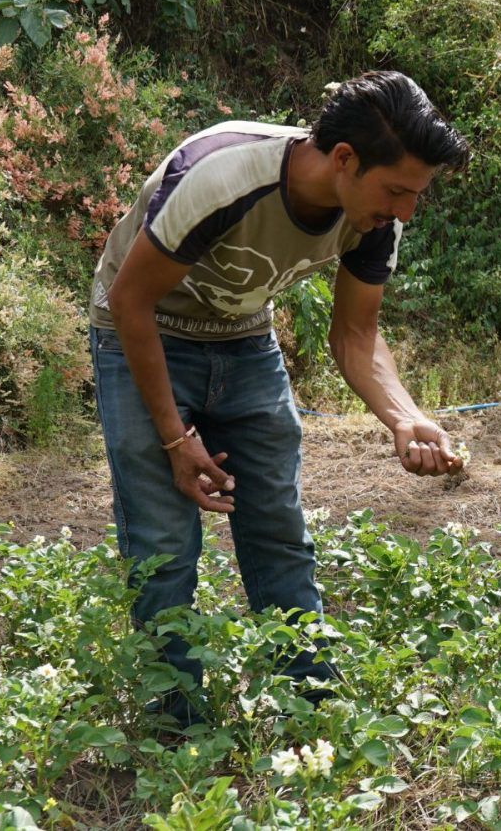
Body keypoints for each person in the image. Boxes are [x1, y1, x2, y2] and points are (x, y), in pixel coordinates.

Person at [88, 71, 468, 728]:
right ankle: (173, 724)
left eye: (416, 195)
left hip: (241, 337)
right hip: (142, 334)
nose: (405, 211)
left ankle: (310, 709)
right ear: (345, 160)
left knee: (277, 530)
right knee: (163, 543)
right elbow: (131, 299)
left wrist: (405, 418)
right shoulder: (222, 176)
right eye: (398, 191)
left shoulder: (373, 218)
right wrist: (176, 439)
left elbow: (354, 334)